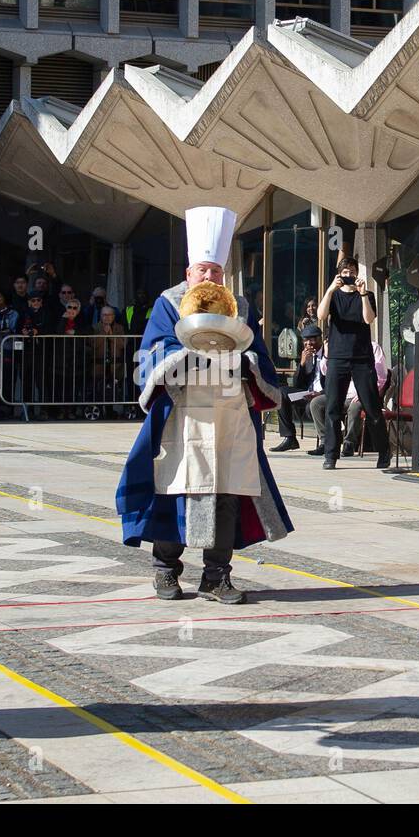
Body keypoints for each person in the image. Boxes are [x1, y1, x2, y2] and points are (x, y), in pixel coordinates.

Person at [117, 206, 293, 605]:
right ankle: (166, 571)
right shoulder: (168, 303)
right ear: (188, 273)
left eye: (215, 271)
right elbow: (152, 353)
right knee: (175, 489)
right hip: (184, 412)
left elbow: (260, 359)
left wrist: (244, 363)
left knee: (228, 493)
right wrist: (185, 357)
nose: (209, 277)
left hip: (230, 413)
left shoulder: (241, 308)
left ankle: (217, 576)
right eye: (202, 270)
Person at [317, 254, 390, 469]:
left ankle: (383, 452)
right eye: (345, 272)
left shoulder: (365, 294)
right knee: (332, 407)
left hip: (361, 357)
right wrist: (330, 290)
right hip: (338, 357)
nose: (349, 276)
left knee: (372, 406)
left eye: (352, 272)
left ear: (358, 273)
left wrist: (363, 294)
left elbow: (368, 319)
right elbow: (322, 315)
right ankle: (330, 455)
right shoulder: (334, 295)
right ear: (339, 274)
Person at [271, 322, 323, 452]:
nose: (308, 343)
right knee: (281, 393)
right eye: (306, 340)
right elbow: (296, 384)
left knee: (314, 404)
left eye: (312, 339)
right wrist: (303, 364)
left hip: (323, 394)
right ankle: (290, 438)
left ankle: (325, 442)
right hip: (307, 393)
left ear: (320, 339)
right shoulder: (307, 356)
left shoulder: (328, 354)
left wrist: (320, 393)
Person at [338, 340, 389, 457]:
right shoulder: (342, 346)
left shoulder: (373, 347)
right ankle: (327, 441)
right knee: (317, 404)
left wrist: (364, 392)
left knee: (354, 408)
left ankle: (349, 443)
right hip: (344, 393)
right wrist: (326, 353)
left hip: (363, 394)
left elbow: (381, 377)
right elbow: (327, 372)